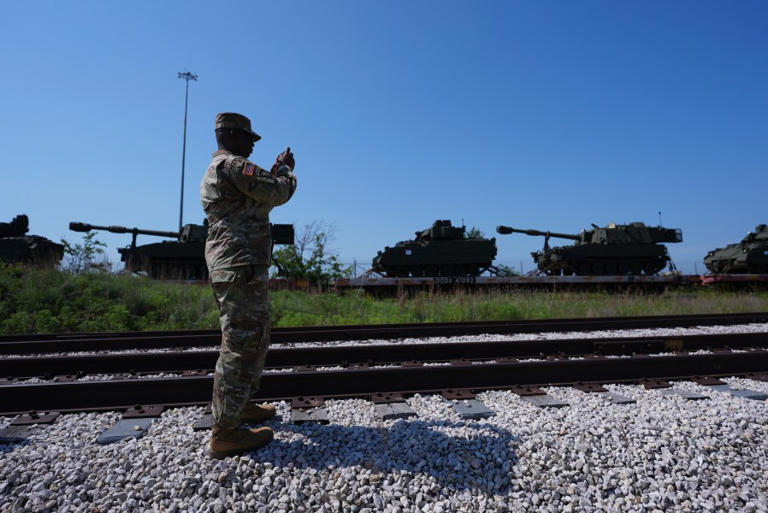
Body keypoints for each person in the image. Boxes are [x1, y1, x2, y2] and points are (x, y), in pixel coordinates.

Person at [200, 112, 297, 458]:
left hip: (239, 265)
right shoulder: (233, 166)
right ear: (231, 135)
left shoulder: (225, 170)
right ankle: (225, 432)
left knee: (253, 336)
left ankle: (239, 406)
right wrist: (284, 170)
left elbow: (258, 194)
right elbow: (279, 193)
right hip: (240, 265)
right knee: (241, 342)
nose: (252, 147)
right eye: (249, 139)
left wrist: (270, 174)